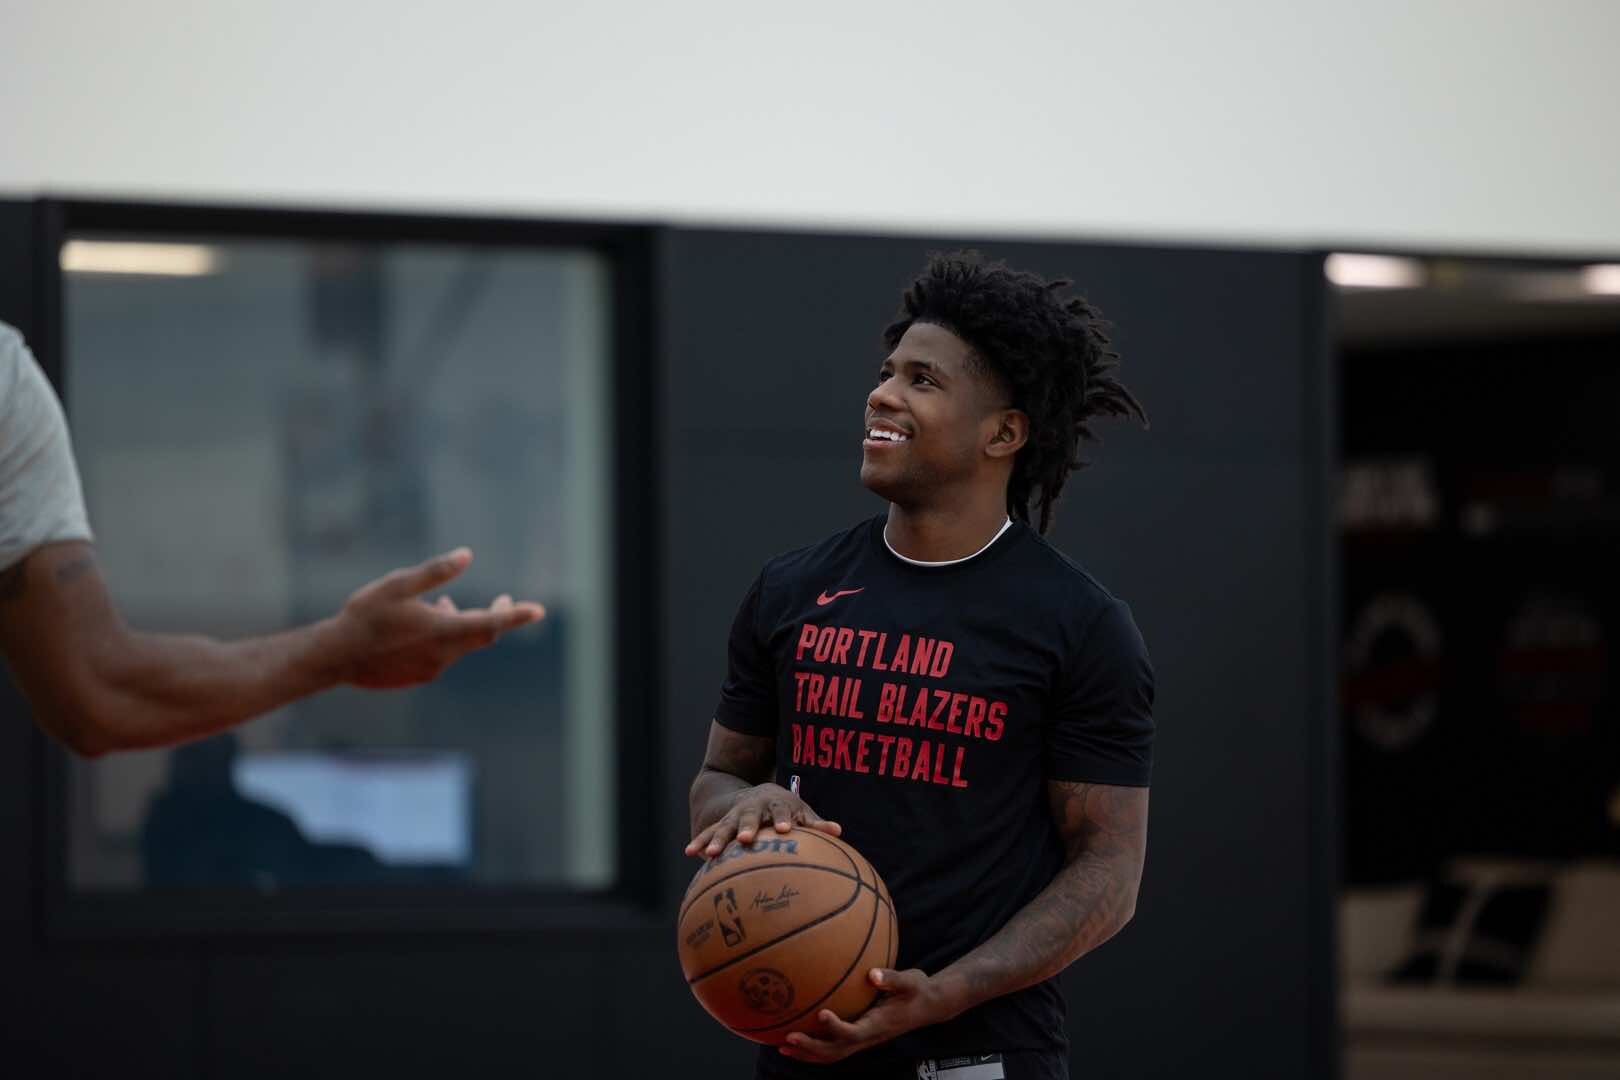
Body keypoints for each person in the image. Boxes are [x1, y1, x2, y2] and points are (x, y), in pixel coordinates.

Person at [685, 253, 1155, 1080]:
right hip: (804, 1036)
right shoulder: (792, 589)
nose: (883, 394)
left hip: (977, 1050)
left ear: (1003, 433)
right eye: (886, 372)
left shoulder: (1079, 626)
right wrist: (747, 801)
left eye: (924, 382)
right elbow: (717, 780)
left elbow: (1109, 872)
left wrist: (946, 990)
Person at [0, 320, 543, 757]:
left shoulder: (7, 386)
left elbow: (98, 691)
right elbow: (100, 691)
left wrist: (345, 650)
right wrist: (342, 651)